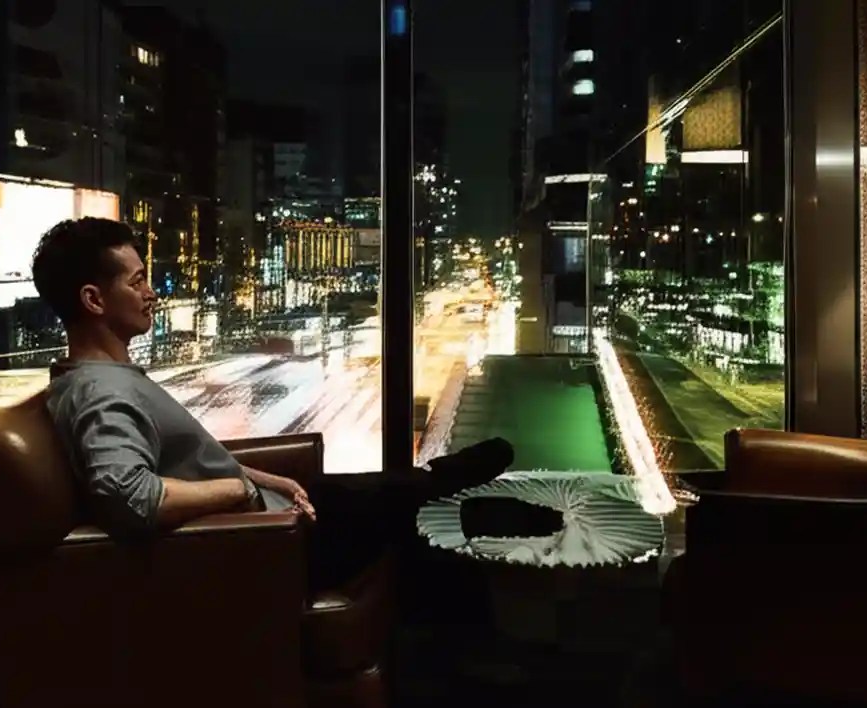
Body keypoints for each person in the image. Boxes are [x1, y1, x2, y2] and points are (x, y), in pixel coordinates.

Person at [32, 217, 512, 591]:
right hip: (262, 541)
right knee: (419, 518)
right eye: (136, 282)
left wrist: (264, 478)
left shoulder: (106, 379)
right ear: (94, 300)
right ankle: (475, 508)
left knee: (391, 489)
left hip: (268, 514)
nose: (151, 293)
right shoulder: (101, 393)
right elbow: (128, 498)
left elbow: (186, 461)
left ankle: (442, 481)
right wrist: (239, 492)